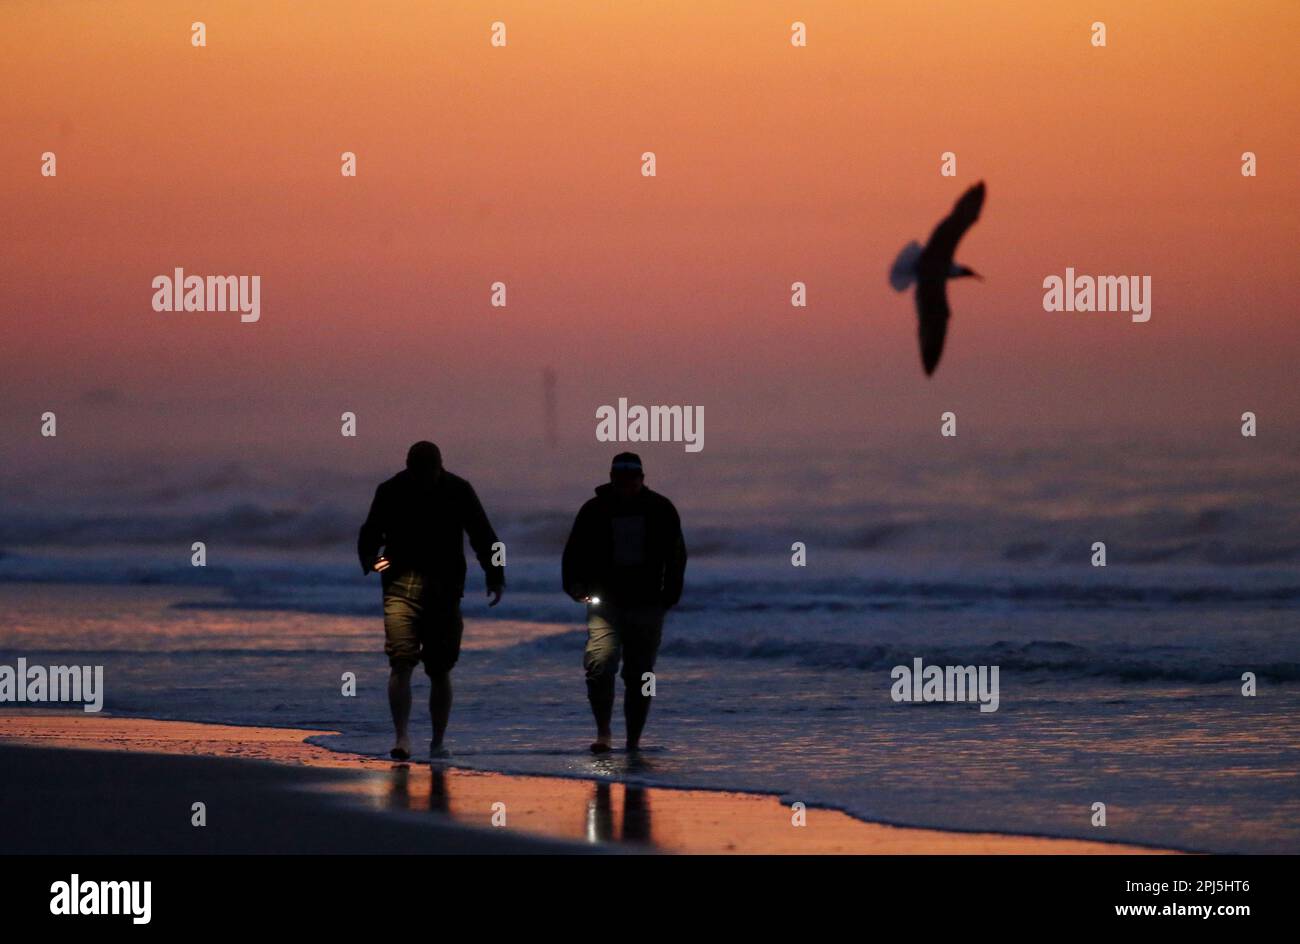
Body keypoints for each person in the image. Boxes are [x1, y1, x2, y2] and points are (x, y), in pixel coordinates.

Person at [358, 441, 504, 760]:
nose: (423, 478)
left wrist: (496, 574)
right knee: (401, 662)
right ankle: (401, 738)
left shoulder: (459, 490)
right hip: (400, 587)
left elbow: (484, 536)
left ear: (440, 466)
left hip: (445, 590)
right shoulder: (391, 490)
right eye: (417, 472)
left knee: (439, 669)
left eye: (428, 472)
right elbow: (369, 536)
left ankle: (437, 742)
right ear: (408, 467)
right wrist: (377, 563)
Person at [562, 452, 687, 754]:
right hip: (605, 603)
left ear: (642, 480)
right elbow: (573, 552)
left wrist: (668, 596)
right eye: (620, 481)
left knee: (641, 674)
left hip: (647, 603)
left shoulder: (661, 508)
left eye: (632, 481)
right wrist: (574, 586)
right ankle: (603, 732)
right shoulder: (594, 510)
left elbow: (677, 555)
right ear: (612, 480)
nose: (626, 487)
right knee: (599, 667)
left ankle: (633, 740)